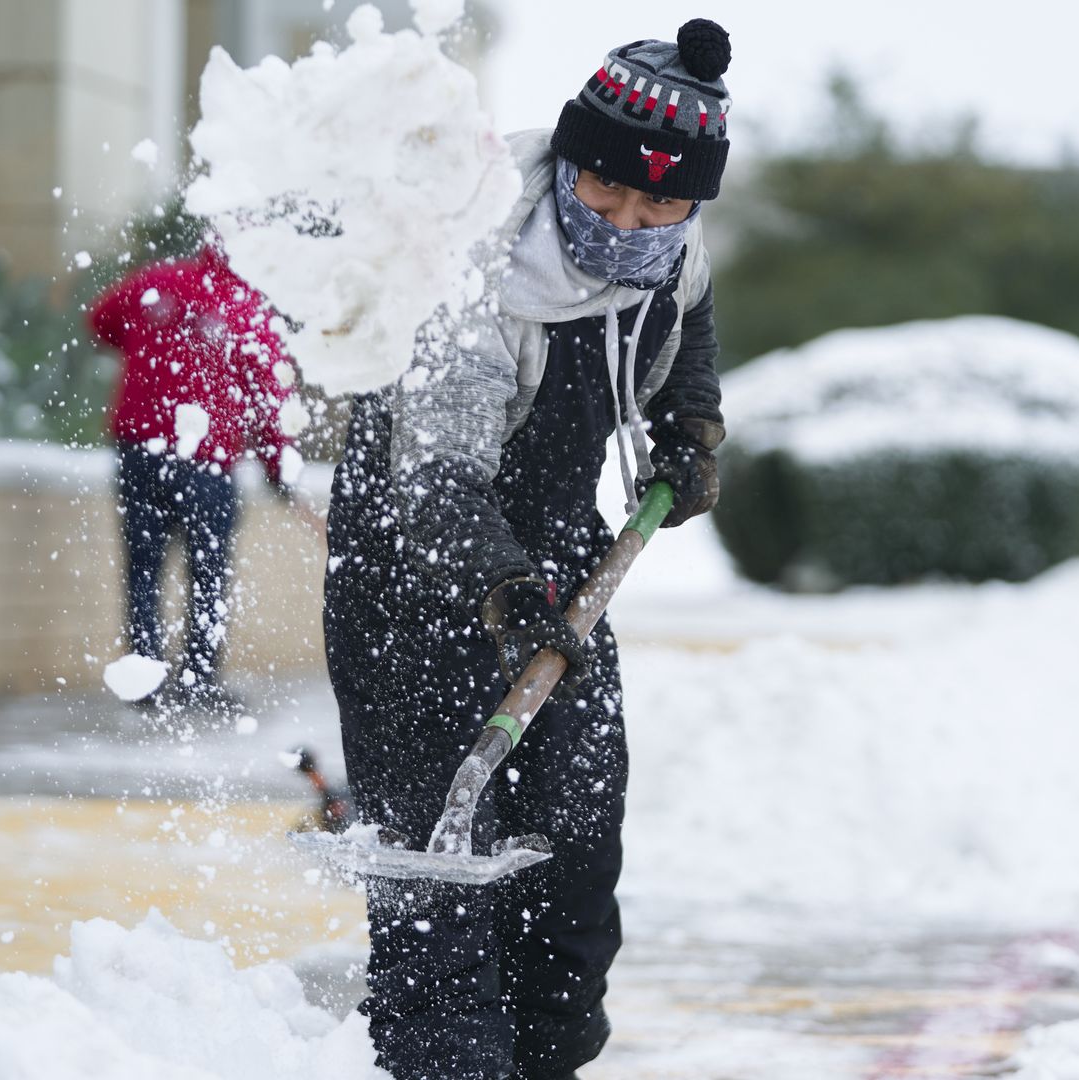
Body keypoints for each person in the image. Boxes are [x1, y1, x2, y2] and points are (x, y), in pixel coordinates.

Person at [322, 18, 734, 1080]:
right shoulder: (473, 265)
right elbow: (430, 480)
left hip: (556, 553)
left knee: (576, 844)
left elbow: (688, 317)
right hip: (411, 568)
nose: (627, 222)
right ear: (570, 162)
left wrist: (689, 425)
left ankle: (549, 1060)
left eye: (657, 206)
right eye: (606, 191)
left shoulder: (673, 251)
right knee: (441, 868)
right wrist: (503, 588)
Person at [90, 242, 297, 713]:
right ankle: (199, 679)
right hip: (208, 463)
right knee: (208, 571)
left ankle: (143, 679)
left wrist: (150, 340)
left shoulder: (154, 282)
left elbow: (100, 321)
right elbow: (267, 393)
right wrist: (276, 465)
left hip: (142, 451)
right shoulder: (247, 307)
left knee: (144, 566)